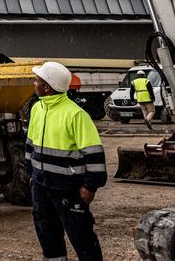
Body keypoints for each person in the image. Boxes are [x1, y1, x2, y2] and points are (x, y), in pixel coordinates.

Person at [26, 61, 106, 261]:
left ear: (47, 87)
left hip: (68, 189)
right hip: (41, 185)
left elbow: (94, 154)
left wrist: (90, 187)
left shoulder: (76, 114)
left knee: (81, 237)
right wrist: (31, 175)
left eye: (37, 81)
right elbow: (30, 144)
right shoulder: (37, 109)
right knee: (47, 233)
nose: (34, 84)